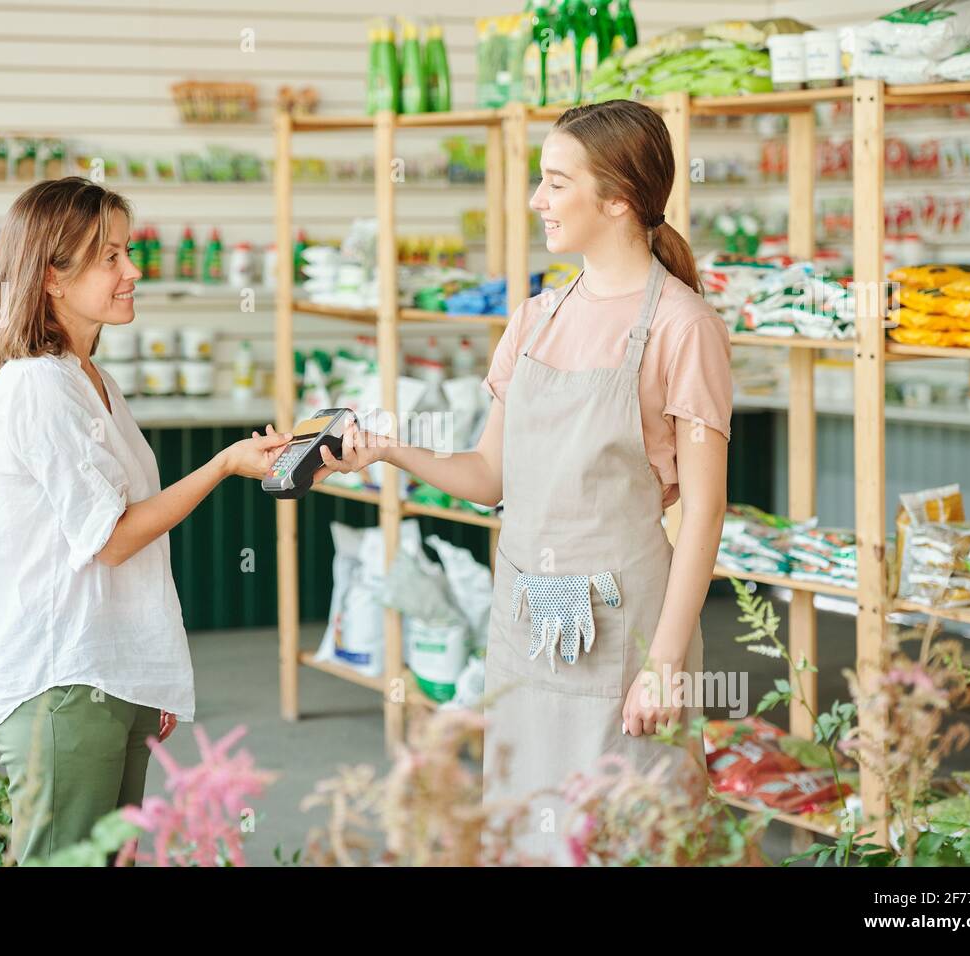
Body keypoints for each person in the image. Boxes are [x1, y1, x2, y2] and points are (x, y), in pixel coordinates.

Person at [314, 101, 732, 862]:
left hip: (625, 639)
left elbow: (703, 511)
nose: (537, 200)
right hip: (525, 628)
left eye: (554, 183)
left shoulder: (683, 327)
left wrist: (664, 667)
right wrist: (388, 452)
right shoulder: (534, 319)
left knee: (630, 829)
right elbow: (487, 476)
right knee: (527, 830)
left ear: (619, 199)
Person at [0, 177, 290, 863]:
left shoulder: (90, 379)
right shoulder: (37, 386)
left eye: (127, 252)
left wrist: (148, 675)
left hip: (105, 670)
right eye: (109, 256)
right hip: (63, 679)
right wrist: (224, 464)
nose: (132, 271)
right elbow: (113, 539)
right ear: (52, 275)